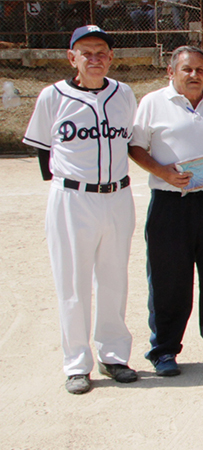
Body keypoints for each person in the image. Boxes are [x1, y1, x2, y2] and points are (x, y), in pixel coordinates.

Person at [23, 25, 139, 394]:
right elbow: (43, 149)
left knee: (114, 279)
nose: (94, 58)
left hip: (118, 196)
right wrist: (66, 184)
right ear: (72, 57)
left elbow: (130, 142)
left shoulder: (124, 94)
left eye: (101, 51)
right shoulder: (53, 96)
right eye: (86, 52)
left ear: (111, 57)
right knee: (72, 283)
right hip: (73, 198)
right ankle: (76, 363)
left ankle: (114, 356)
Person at [130, 45, 203, 376]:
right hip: (170, 203)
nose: (194, 75)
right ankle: (164, 350)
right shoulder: (153, 103)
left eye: (200, 69)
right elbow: (136, 147)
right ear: (171, 72)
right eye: (187, 69)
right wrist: (163, 172)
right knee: (170, 279)